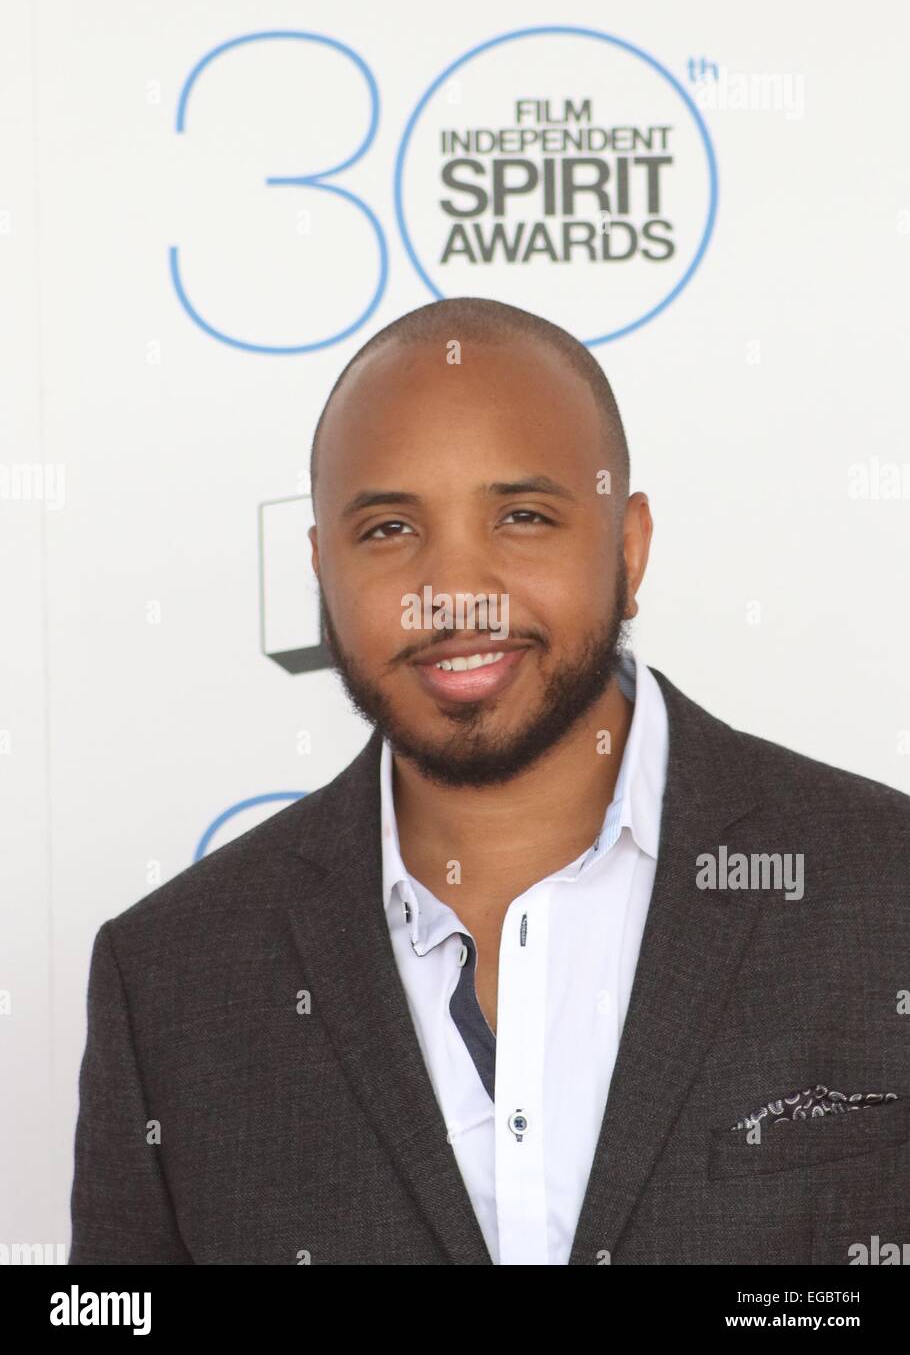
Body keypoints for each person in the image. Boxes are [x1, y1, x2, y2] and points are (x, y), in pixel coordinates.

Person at [69, 298, 910, 1265]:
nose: (453, 592)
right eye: (388, 529)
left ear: (628, 550)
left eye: (521, 516)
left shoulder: (882, 889)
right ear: (320, 574)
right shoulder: (172, 980)